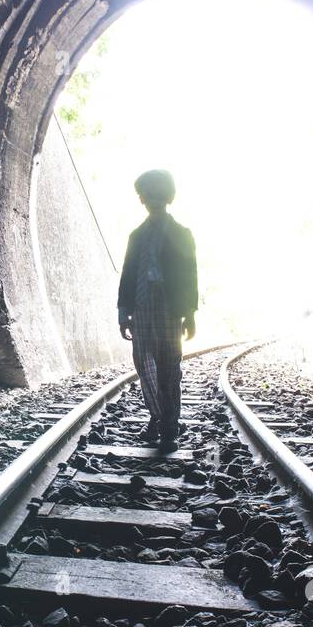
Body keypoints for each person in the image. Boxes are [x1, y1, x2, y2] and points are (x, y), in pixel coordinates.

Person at [117, 169, 198, 452]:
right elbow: (127, 274)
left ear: (169, 197)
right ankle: (159, 415)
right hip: (141, 308)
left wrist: (190, 314)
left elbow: (190, 276)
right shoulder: (136, 236)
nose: (153, 199)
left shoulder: (182, 234)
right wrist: (123, 311)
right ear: (141, 198)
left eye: (159, 194)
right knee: (144, 365)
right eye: (148, 194)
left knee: (168, 369)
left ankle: (168, 428)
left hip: (169, 308)